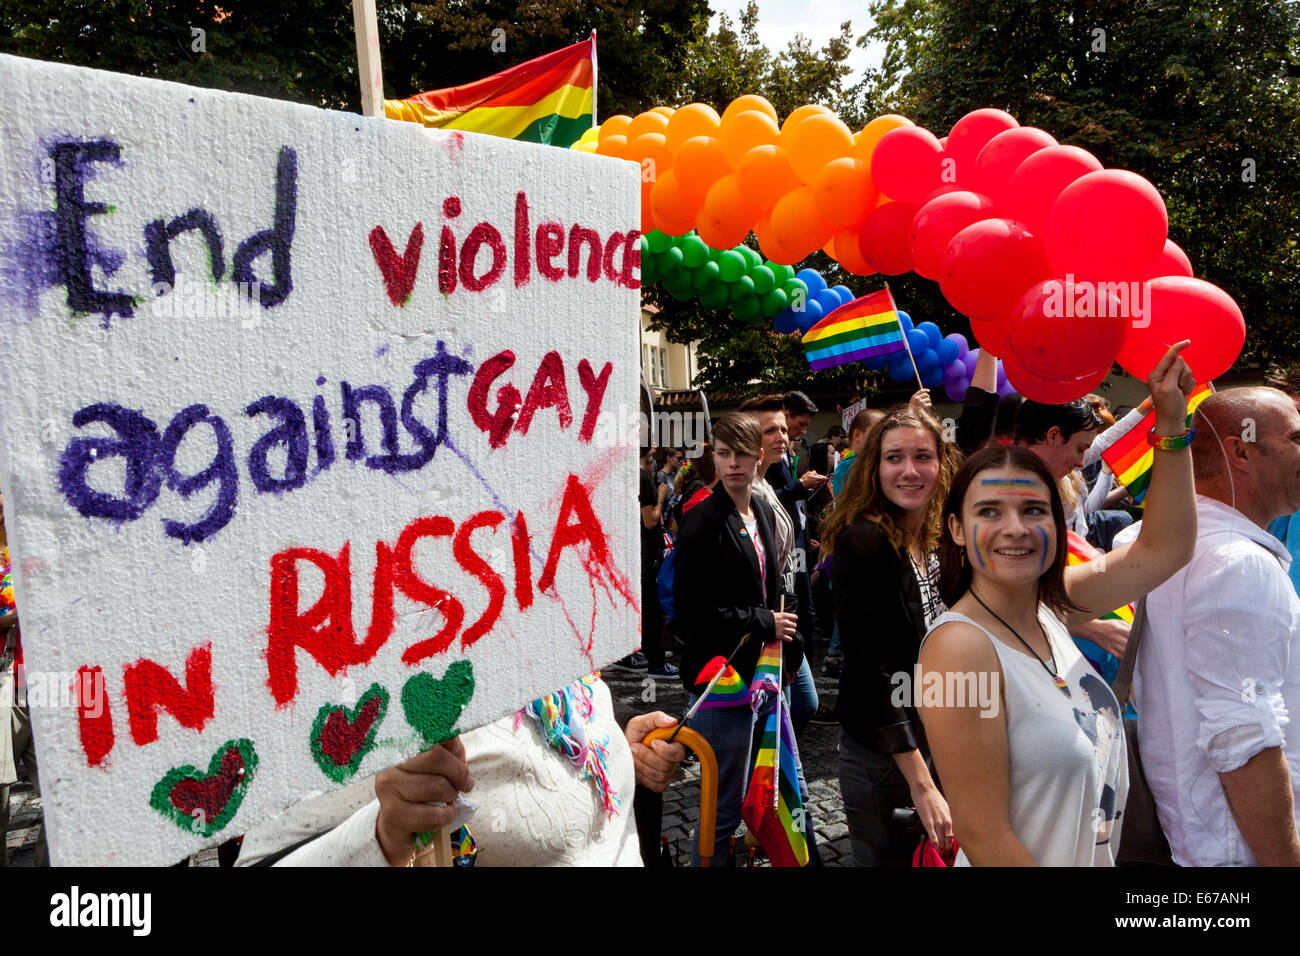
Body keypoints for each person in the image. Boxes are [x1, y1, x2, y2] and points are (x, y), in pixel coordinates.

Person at [917, 342, 1198, 866]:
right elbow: (986, 840)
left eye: (1033, 509)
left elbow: (1166, 549)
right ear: (956, 528)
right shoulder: (959, 649)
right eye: (989, 511)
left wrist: (1172, 425)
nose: (1016, 527)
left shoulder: (1051, 606)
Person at [1113, 386, 1300, 865]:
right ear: (1242, 450)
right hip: (1242, 853)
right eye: (1297, 438)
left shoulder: (1153, 546)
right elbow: (1243, 740)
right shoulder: (1240, 563)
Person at [236, 680, 689, 866]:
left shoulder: (551, 615)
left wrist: (618, 742)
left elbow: (556, 739)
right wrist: (382, 838)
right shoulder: (355, 699)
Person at [820, 404, 961, 865]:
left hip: (934, 735)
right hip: (886, 754)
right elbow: (873, 672)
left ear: (941, 464)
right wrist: (921, 783)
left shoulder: (940, 536)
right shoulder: (864, 541)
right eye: (894, 458)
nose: (910, 471)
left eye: (923, 456)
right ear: (874, 468)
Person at [673, 414, 805, 866]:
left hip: (761, 673)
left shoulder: (764, 509)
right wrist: (762, 620)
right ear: (713, 456)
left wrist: (779, 633)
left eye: (742, 454)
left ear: (759, 456)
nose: (732, 464)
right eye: (723, 454)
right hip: (719, 679)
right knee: (723, 803)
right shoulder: (702, 521)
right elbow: (690, 615)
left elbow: (769, 585)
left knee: (761, 787)